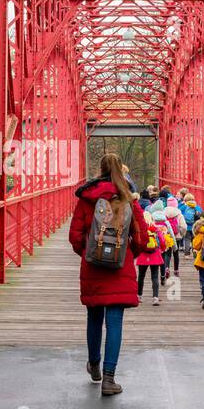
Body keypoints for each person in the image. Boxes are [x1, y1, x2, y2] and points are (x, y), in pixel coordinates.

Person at [68, 153, 149, 396]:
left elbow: (74, 237)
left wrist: (90, 252)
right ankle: (109, 379)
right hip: (119, 269)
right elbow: (142, 240)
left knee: (94, 318)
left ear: (99, 170)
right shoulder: (129, 200)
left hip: (93, 268)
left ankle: (94, 365)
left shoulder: (86, 199)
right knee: (114, 323)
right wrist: (126, 254)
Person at [134, 209, 165, 305]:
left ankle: (139, 296)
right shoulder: (155, 228)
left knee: (141, 276)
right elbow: (162, 240)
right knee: (155, 276)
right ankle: (155, 297)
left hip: (143, 255)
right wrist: (163, 248)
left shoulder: (140, 228)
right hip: (154, 255)